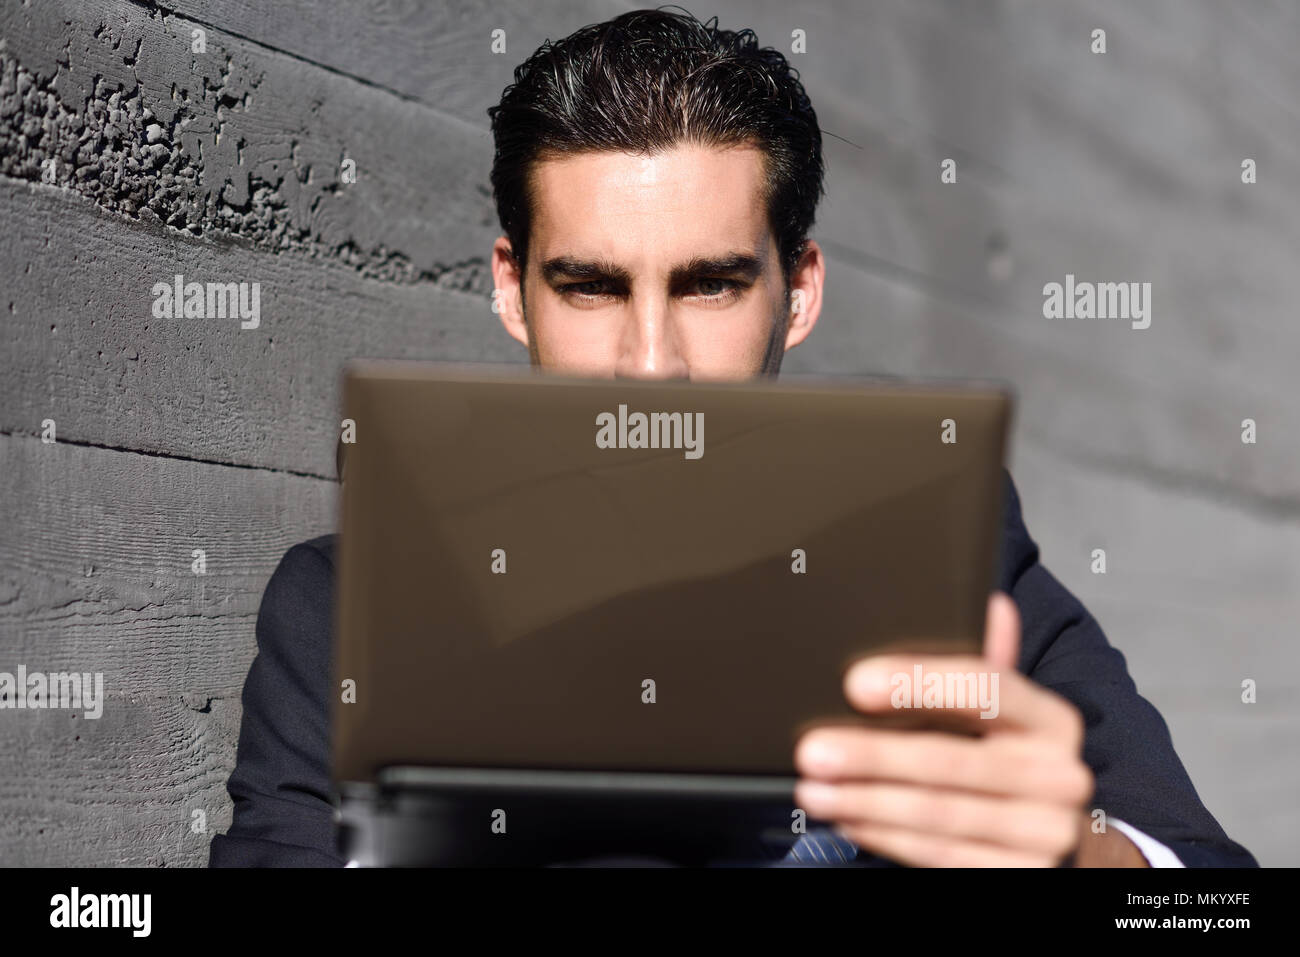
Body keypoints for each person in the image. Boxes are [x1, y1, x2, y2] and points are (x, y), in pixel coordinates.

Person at [209, 9, 1256, 868]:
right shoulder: (343, 614)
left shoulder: (953, 572)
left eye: (710, 284)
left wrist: (1076, 857)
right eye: (589, 285)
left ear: (796, 293)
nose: (650, 363)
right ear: (511, 289)